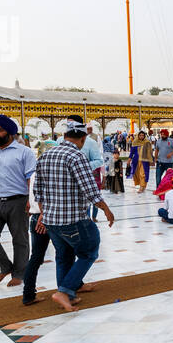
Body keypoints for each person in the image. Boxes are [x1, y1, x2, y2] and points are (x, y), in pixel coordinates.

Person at [33, 120, 116, 311]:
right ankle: (64, 291)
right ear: (83, 138)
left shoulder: (46, 155)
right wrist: (106, 209)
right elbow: (90, 190)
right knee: (89, 252)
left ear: (64, 136)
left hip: (51, 220)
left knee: (63, 256)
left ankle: (67, 294)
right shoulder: (76, 157)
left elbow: (38, 191)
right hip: (73, 220)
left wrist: (44, 214)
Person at [0, 114, 36, 287]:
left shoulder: (24, 152)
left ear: (9, 132)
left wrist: (31, 201)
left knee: (20, 239)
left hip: (17, 201)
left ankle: (19, 273)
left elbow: (31, 178)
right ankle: (5, 266)